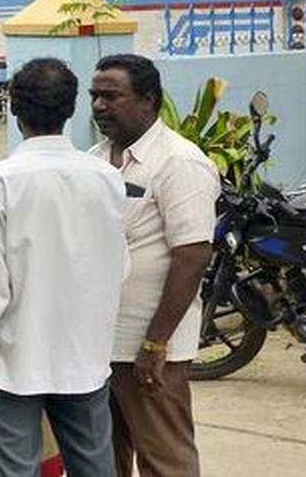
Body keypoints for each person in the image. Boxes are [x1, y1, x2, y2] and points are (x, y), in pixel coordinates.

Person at [0, 58, 129, 477]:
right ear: (71, 108)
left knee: (16, 469)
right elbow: (119, 266)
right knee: (95, 467)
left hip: (15, 362)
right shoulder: (106, 177)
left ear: (13, 109)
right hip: (84, 358)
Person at [89, 54, 220, 477]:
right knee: (100, 463)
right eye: (94, 96)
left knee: (165, 460)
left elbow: (192, 255)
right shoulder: (94, 160)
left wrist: (155, 343)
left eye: (111, 96)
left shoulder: (179, 162)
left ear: (148, 100)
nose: (99, 106)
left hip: (149, 350)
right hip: (96, 348)